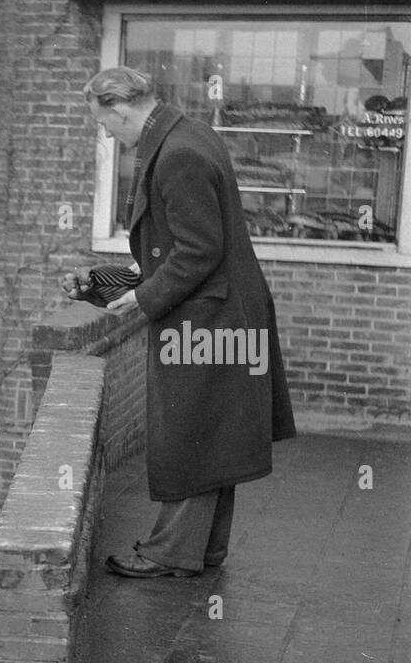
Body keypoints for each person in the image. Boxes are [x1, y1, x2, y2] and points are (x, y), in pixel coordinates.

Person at [62, 66, 295, 578]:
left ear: (120, 110)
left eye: (105, 125)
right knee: (214, 434)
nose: (107, 136)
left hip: (212, 321)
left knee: (192, 432)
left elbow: (198, 249)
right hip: (224, 310)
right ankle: (202, 549)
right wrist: (117, 280)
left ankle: (171, 553)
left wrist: (144, 299)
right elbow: (180, 244)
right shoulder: (189, 135)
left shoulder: (178, 154)